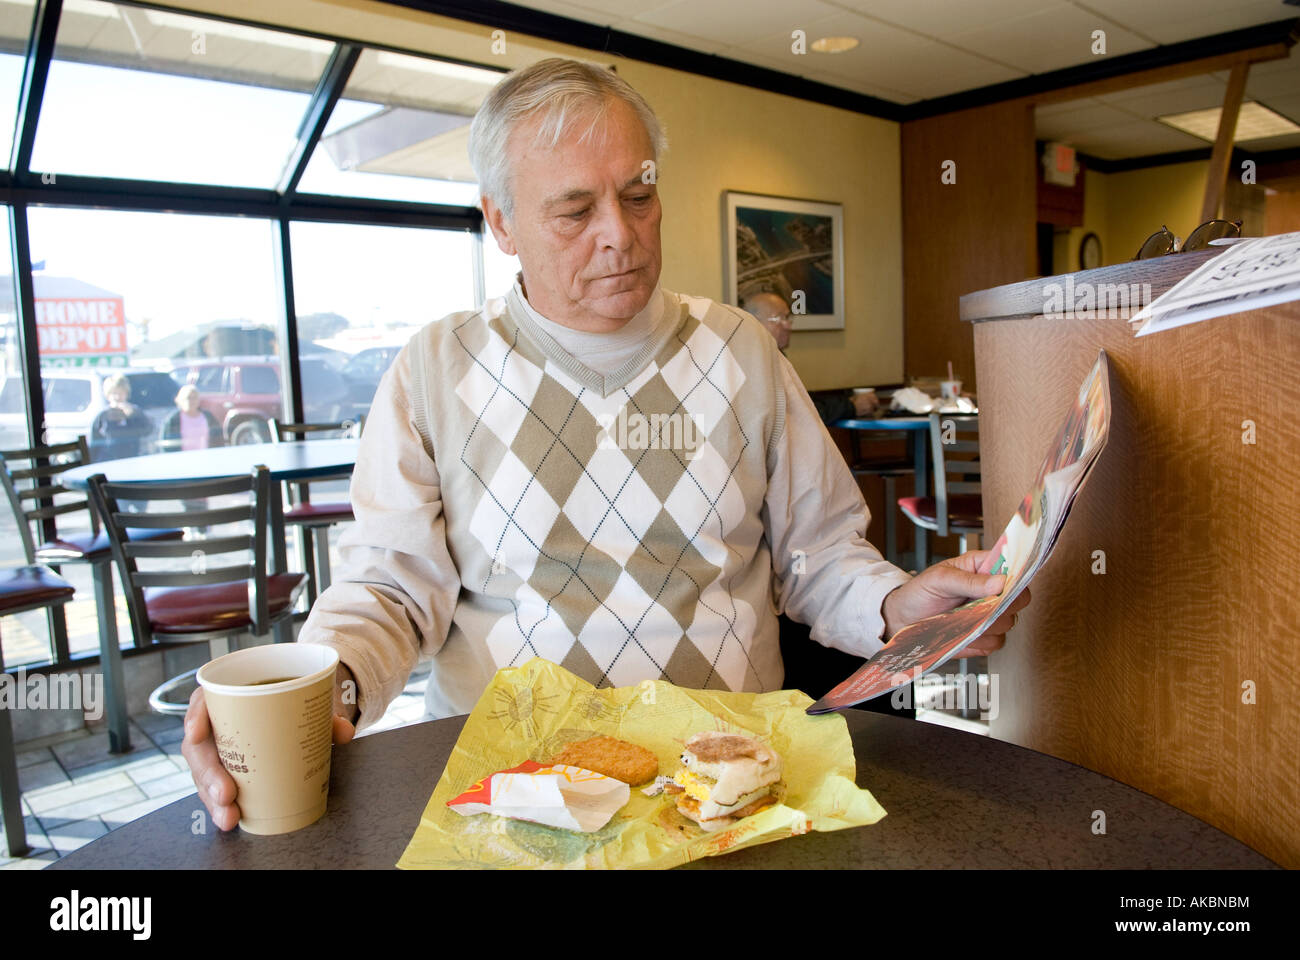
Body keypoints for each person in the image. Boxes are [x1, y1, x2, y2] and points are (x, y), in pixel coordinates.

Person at [184, 58, 1029, 831]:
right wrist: (316, 688)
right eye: (574, 210)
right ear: (501, 223)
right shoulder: (436, 369)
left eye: (638, 194)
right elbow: (390, 589)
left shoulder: (741, 353)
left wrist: (892, 607)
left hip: (726, 797)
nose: (619, 234)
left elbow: (816, 556)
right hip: (516, 800)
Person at [741, 291, 876, 424]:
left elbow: (802, 400)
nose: (788, 326)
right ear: (754, 324)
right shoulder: (754, 364)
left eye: (788, 318)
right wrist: (851, 407)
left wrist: (847, 402)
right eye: (779, 318)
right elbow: (797, 414)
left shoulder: (775, 356)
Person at [159, 384, 223, 518]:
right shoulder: (173, 420)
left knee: (202, 495)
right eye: (187, 398)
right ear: (179, 400)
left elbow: (218, 438)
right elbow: (166, 445)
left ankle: (203, 526)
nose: (191, 401)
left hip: (203, 464)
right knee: (187, 496)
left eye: (194, 398)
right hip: (183, 466)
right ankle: (190, 524)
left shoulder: (207, 417)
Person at [88, 373, 154, 463]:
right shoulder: (102, 415)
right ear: (107, 395)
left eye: (121, 393)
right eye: (114, 393)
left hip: (133, 459)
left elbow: (148, 430)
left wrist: (132, 415)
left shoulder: (136, 412)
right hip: (108, 461)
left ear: (127, 393)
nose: (118, 397)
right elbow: (94, 443)